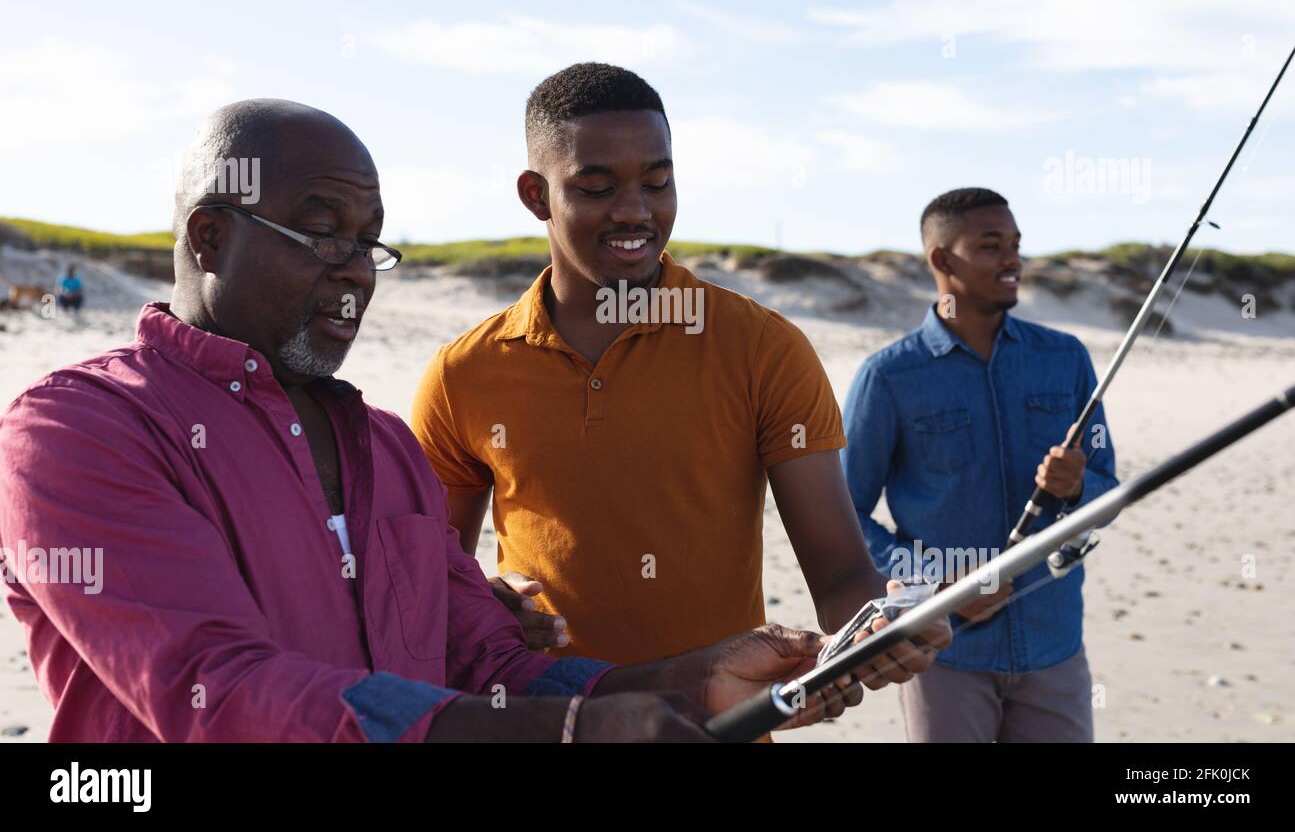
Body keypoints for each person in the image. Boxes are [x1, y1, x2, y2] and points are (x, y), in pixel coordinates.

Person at [0, 99, 887, 743]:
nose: (357, 271)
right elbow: (217, 692)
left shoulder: (383, 444)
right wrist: (574, 733)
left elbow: (488, 666)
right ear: (208, 238)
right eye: (323, 234)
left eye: (371, 241)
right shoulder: (79, 430)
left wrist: (686, 685)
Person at [411, 63, 951, 690]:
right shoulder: (463, 373)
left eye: (657, 181)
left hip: (721, 725)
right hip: (548, 723)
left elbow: (838, 578)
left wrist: (883, 624)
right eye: (596, 187)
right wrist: (487, 608)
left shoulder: (762, 348)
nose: (635, 211)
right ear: (536, 195)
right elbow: (426, 592)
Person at [841, 187, 1119, 742]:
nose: (1013, 258)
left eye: (1015, 244)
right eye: (991, 245)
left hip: (1056, 647)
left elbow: (1107, 493)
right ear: (942, 260)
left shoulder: (1065, 359)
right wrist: (938, 583)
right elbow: (844, 516)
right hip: (943, 655)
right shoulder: (889, 376)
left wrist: (1076, 487)